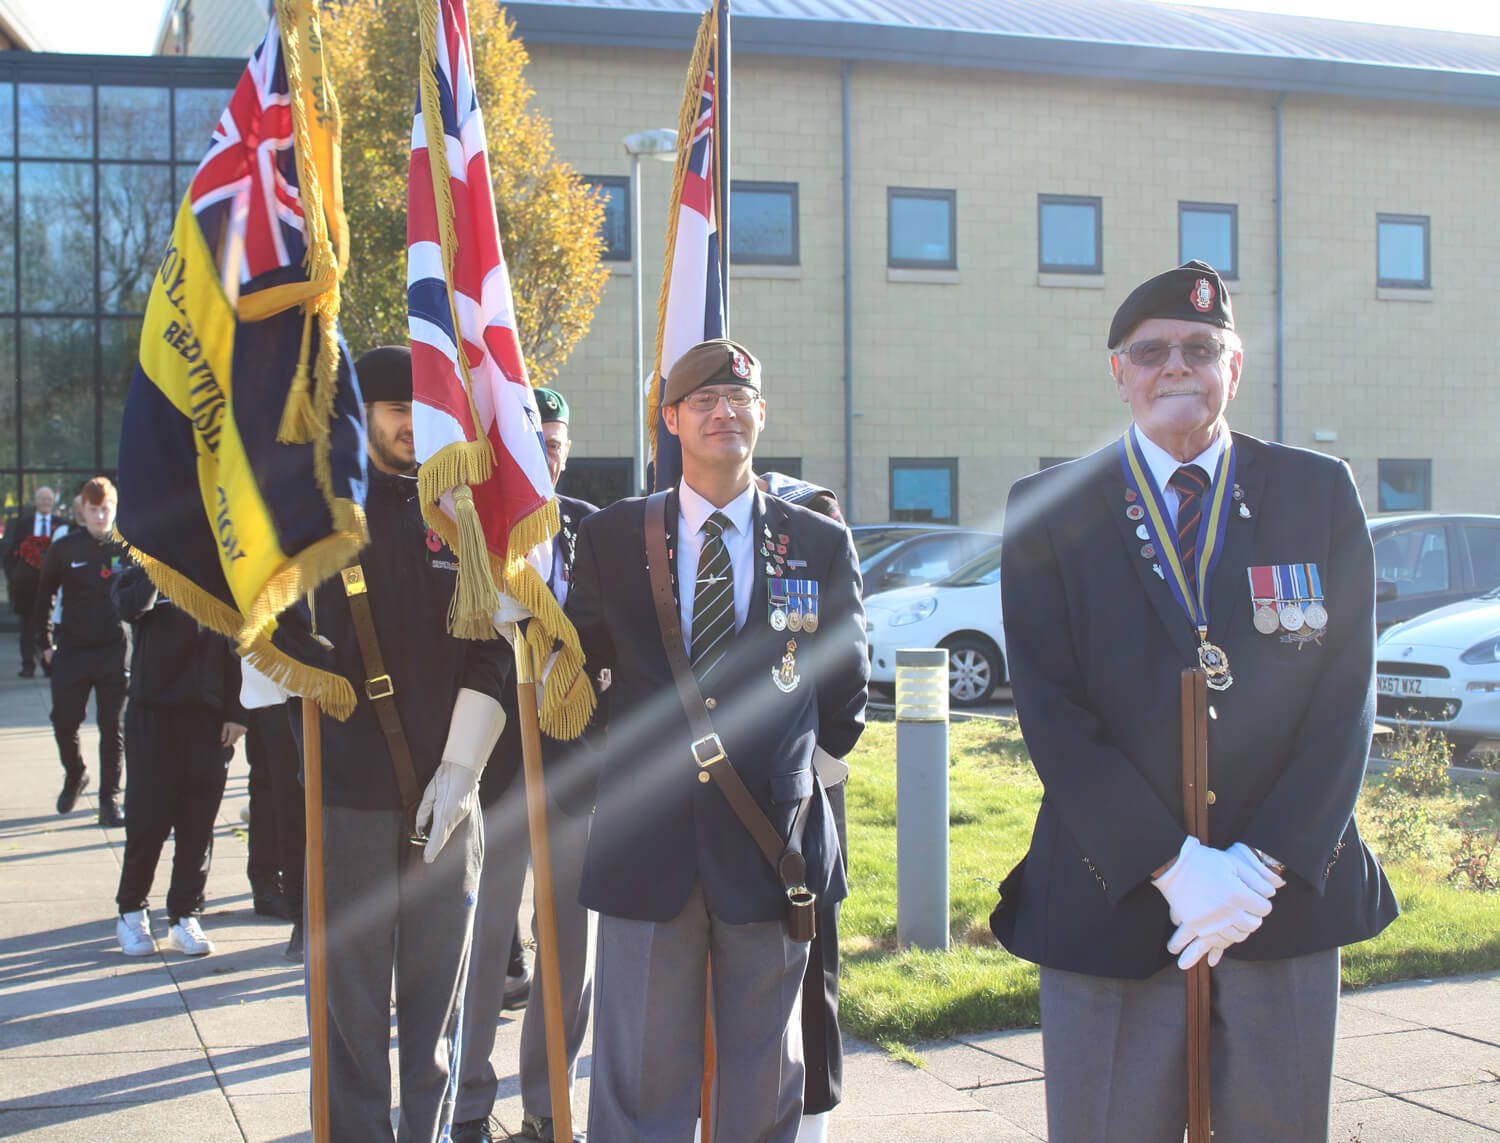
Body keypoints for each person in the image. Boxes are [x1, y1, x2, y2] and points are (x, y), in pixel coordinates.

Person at [991, 261, 1399, 1140]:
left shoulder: (1316, 492)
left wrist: (1260, 868)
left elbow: (1344, 698)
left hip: (1278, 897)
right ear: (1120, 373)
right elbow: (1051, 711)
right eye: (1152, 351)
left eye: (1200, 348)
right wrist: (1174, 867)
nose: (1176, 365)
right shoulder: (1048, 507)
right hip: (1116, 891)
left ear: (1235, 367)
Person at [568, 339, 868, 1142]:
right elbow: (582, 679)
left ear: (761, 414)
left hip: (772, 844)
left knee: (763, 1078)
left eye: (739, 399)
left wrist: (790, 768)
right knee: (636, 1081)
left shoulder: (817, 540)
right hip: (648, 840)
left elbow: (845, 693)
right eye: (703, 400)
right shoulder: (610, 536)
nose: (724, 412)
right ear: (671, 419)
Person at [274, 345, 512, 1142]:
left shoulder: (463, 514)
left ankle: (429, 1135)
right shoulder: (323, 517)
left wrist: (463, 767)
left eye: (423, 409)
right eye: (394, 410)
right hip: (351, 793)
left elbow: (494, 647)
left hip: (452, 790)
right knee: (351, 1005)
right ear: (361, 417)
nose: (413, 425)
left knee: (436, 997)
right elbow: (278, 633)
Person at [454, 386, 600, 1143]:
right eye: (531, 440)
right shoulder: (473, 534)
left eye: (554, 442)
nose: (544, 452)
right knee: (481, 948)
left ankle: (550, 1101)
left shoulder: (589, 531)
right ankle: (469, 1098)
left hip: (574, 770)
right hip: (494, 772)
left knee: (569, 951)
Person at [757, 470, 848, 1143]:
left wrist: (820, 752)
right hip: (741, 787)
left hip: (810, 788)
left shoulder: (820, 550)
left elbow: (839, 672)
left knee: (812, 960)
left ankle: (812, 1120)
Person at [110, 564, 246, 957]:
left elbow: (240, 641)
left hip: (207, 720)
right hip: (152, 715)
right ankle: (131, 911)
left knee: (197, 825)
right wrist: (161, 564)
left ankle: (185, 914)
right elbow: (126, 606)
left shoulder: (220, 570)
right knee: (146, 821)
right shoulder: (141, 569)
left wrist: (238, 712)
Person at [33, 477, 130, 826]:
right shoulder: (65, 549)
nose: (100, 517)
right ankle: (75, 774)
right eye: (94, 510)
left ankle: (110, 801)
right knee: (63, 721)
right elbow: (44, 597)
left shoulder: (129, 549)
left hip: (113, 651)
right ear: (82, 512)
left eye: (106, 510)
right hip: (72, 649)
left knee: (112, 728)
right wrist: (45, 644)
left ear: (114, 510)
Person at [4, 486, 65, 678]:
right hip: (27, 585)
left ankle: (49, 665)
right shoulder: (22, 524)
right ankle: (28, 665)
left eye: (48, 499)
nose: (45, 502)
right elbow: (10, 551)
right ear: (35, 502)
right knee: (27, 625)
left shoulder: (62, 525)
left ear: (52, 502)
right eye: (42, 499)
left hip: (52, 584)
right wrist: (15, 575)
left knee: (48, 624)